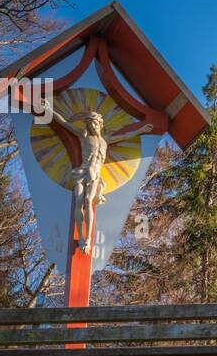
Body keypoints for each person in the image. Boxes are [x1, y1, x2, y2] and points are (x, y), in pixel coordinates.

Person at [48, 108, 152, 253]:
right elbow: (64, 123)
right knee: (78, 200)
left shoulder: (105, 140)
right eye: (90, 124)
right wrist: (49, 110)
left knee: (88, 201)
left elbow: (126, 135)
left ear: (100, 124)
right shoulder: (83, 136)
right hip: (82, 171)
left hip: (95, 174)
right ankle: (80, 235)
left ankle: (87, 239)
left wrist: (141, 129)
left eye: (95, 123)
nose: (92, 126)